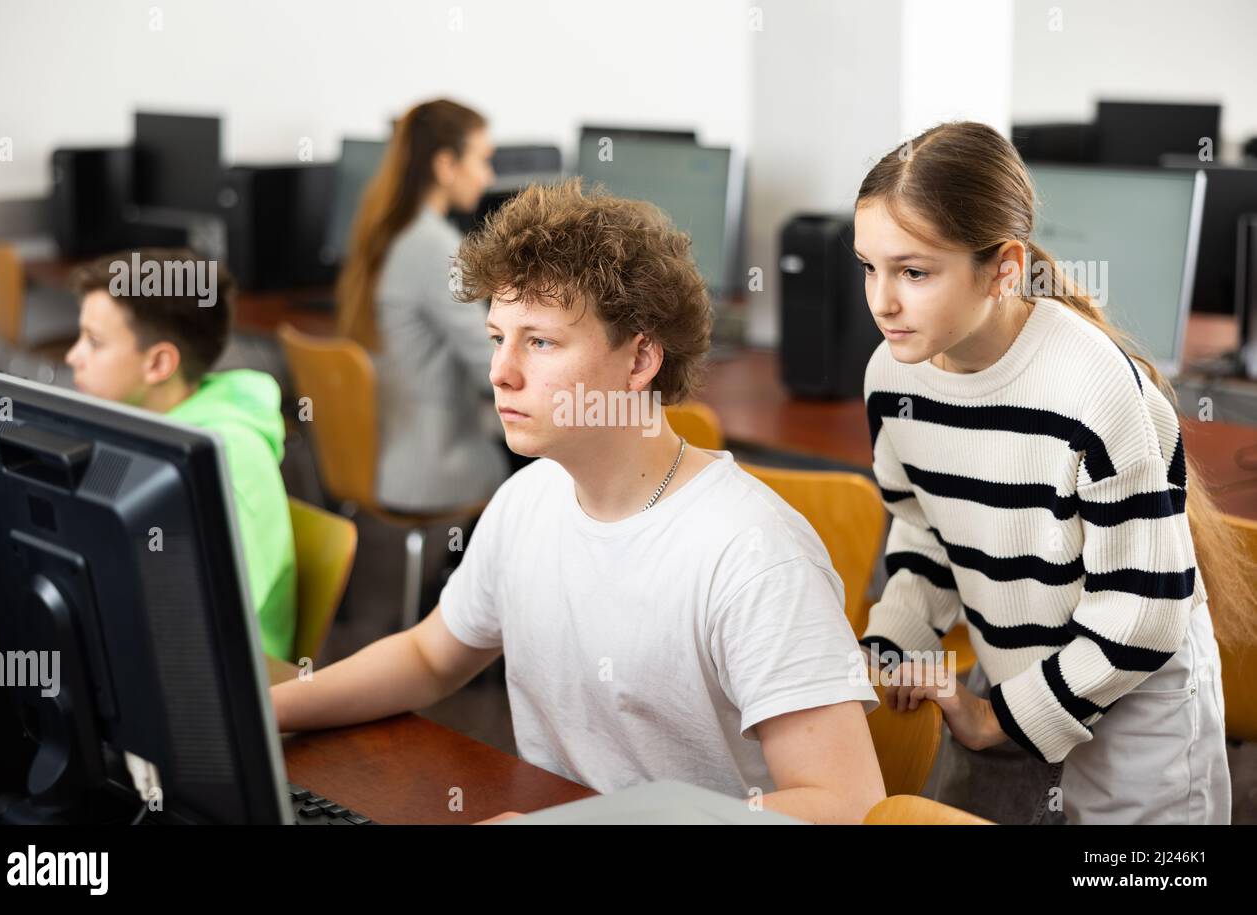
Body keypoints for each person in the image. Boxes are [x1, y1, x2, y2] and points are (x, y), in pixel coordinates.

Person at [271, 179, 885, 823]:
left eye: (539, 342)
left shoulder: (753, 554)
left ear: (641, 357)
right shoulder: (527, 498)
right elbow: (429, 657)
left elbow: (843, 804)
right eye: (495, 337)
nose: (500, 372)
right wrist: (269, 708)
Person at [853, 121, 1256, 824]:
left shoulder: (1091, 383)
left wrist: (997, 719)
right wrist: (897, 641)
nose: (882, 300)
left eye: (913, 271)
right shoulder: (893, 378)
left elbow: (1142, 614)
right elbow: (925, 531)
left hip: (1132, 695)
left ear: (1005, 267)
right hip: (1014, 665)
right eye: (868, 266)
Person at [66, 248, 296, 660]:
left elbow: (195, 625)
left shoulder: (230, 462)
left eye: (94, 342)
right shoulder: (134, 426)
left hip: (218, 687)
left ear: (158, 364)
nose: (72, 356)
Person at [336, 98, 509, 512]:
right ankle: (477, 573)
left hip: (382, 446)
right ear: (446, 165)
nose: (489, 176)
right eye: (482, 160)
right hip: (431, 464)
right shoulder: (435, 248)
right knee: (544, 463)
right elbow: (493, 373)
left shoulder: (383, 232)